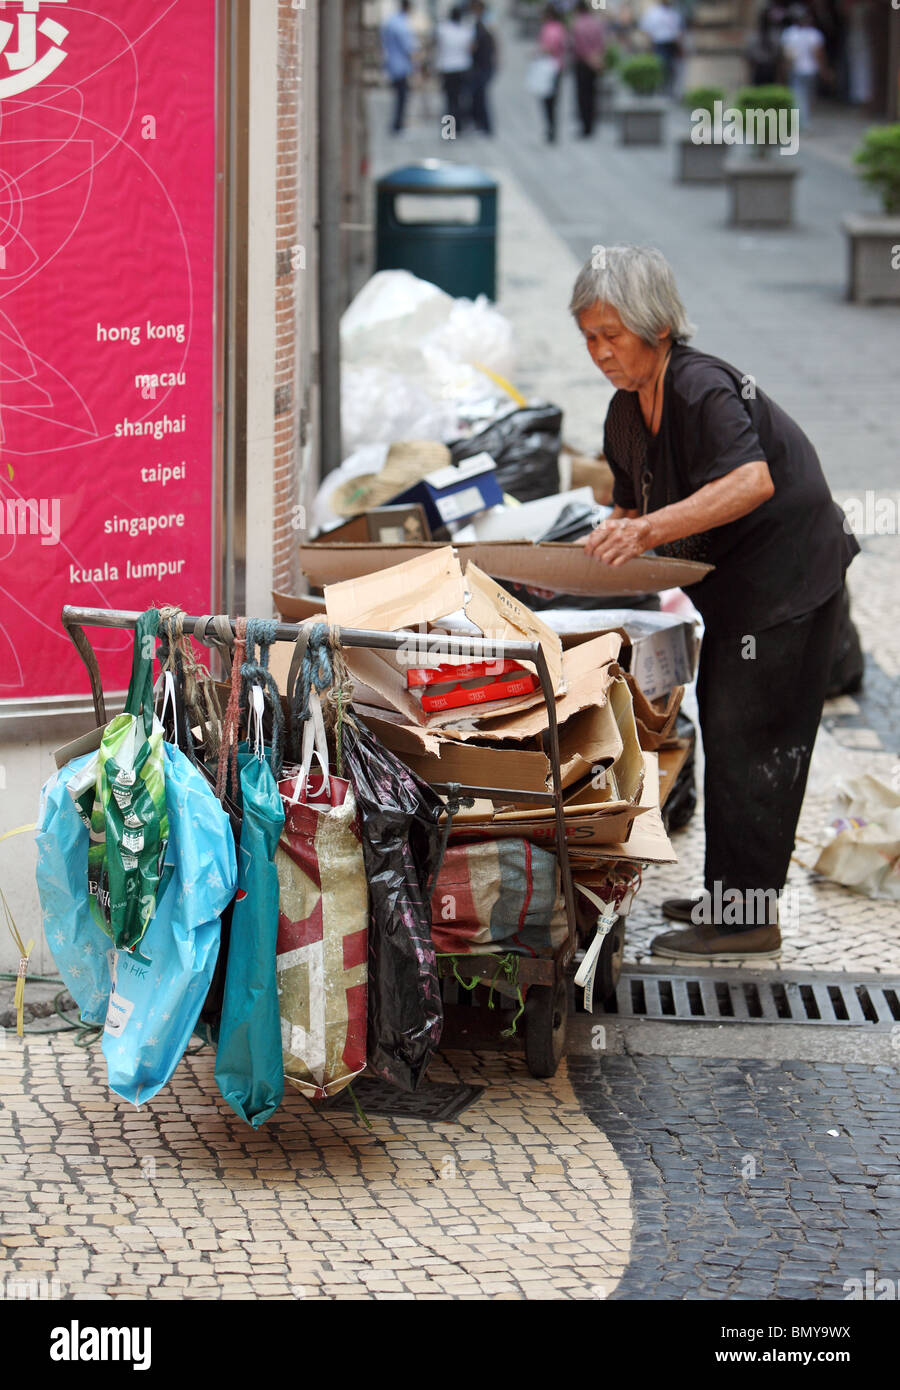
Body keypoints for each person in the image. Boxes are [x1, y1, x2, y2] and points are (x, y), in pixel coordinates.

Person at [569, 245, 859, 962]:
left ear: (657, 327)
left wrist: (647, 529)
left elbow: (749, 482)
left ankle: (748, 921)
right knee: (730, 733)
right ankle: (729, 898)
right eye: (589, 337)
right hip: (740, 591)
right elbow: (631, 508)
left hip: (789, 584)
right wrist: (597, 544)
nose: (601, 352)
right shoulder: (626, 411)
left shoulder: (703, 388)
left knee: (755, 740)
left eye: (613, 335)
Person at [781, 4, 826, 130]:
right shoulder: (814, 34)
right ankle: (804, 122)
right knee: (806, 96)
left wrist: (787, 68)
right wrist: (823, 70)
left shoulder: (790, 34)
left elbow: (788, 55)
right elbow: (818, 54)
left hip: (797, 69)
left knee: (798, 96)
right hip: (810, 69)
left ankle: (802, 122)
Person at [381, 0, 419, 136]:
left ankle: (397, 124)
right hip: (401, 65)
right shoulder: (401, 24)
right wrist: (416, 65)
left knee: (399, 96)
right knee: (401, 97)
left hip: (393, 63)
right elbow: (409, 47)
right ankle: (398, 126)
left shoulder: (392, 21)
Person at [436, 5, 474, 135]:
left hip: (447, 68)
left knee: (449, 100)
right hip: (462, 67)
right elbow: (471, 48)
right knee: (460, 99)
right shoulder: (466, 31)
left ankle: (450, 130)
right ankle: (459, 127)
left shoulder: (443, 29)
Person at [572, 0, 607, 138]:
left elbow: (578, 47)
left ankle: (585, 126)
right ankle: (591, 124)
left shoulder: (578, 24)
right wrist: (597, 60)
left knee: (582, 95)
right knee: (593, 94)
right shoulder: (596, 23)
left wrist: (588, 59)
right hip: (596, 62)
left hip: (583, 63)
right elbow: (602, 44)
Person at [639, 0, 684, 96]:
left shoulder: (674, 13)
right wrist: (648, 47)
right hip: (659, 44)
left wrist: (680, 47)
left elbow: (678, 32)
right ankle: (660, 91)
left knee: (672, 69)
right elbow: (647, 31)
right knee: (661, 67)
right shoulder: (652, 13)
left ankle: (670, 91)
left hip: (671, 44)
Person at [538, 4, 568, 144]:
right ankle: (552, 129)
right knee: (554, 100)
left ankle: (550, 129)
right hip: (558, 67)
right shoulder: (561, 28)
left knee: (547, 101)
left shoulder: (548, 29)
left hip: (548, 68)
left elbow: (548, 48)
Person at [468, 1, 497, 136]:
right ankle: (479, 124)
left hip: (483, 64)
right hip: (481, 64)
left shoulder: (486, 22)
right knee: (477, 96)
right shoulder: (479, 22)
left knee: (481, 95)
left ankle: (485, 126)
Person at [744, 10, 781, 85]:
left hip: (761, 68)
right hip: (768, 68)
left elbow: (749, 59)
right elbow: (778, 58)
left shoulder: (754, 37)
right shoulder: (775, 36)